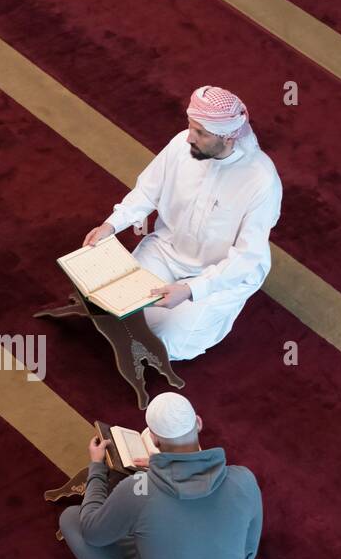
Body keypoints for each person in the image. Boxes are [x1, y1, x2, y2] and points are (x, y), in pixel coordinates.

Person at [82, 86, 282, 360]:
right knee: (114, 309)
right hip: (166, 252)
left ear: (227, 137)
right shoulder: (181, 145)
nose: (190, 137)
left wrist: (191, 290)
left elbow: (247, 256)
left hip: (217, 275)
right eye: (191, 126)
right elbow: (147, 191)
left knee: (163, 345)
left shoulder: (262, 180)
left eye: (201, 133)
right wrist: (111, 225)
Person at [59, 392, 262, 559]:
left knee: (71, 518)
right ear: (198, 422)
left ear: (153, 439)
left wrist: (97, 467)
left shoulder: (137, 489)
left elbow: (92, 532)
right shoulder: (244, 480)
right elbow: (250, 547)